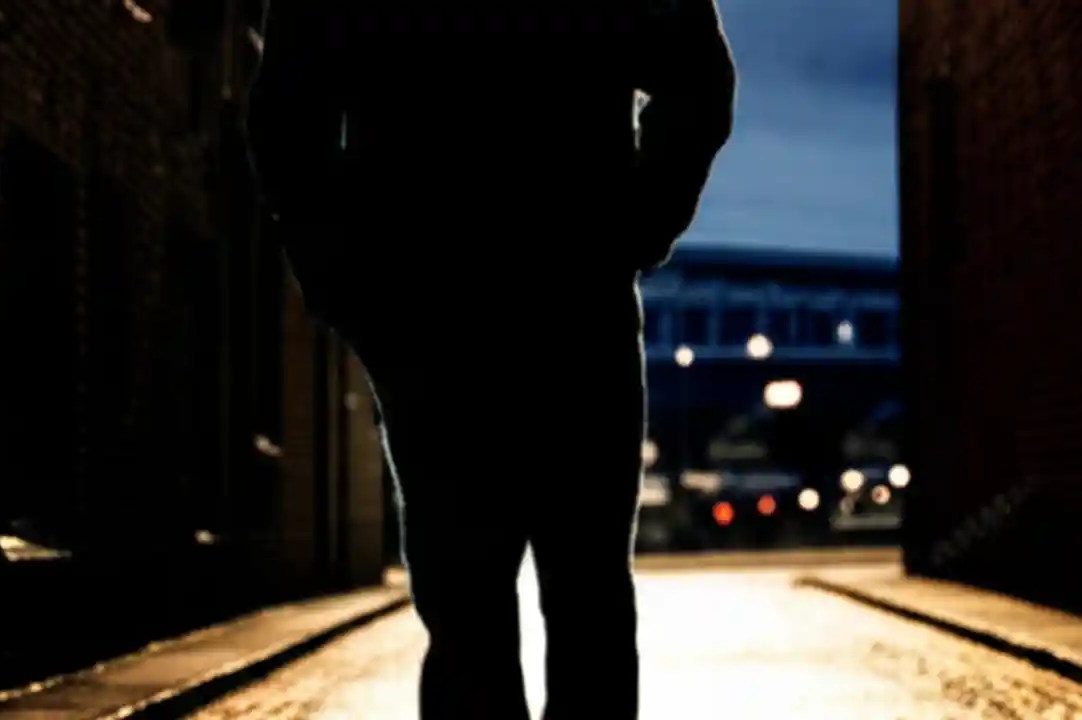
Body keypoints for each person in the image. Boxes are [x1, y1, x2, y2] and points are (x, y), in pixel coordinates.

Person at [244, 0, 735, 716]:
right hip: (551, 305)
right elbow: (697, 78)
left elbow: (288, 111)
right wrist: (630, 229)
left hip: (447, 310)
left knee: (485, 608)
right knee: (575, 605)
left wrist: (345, 278)